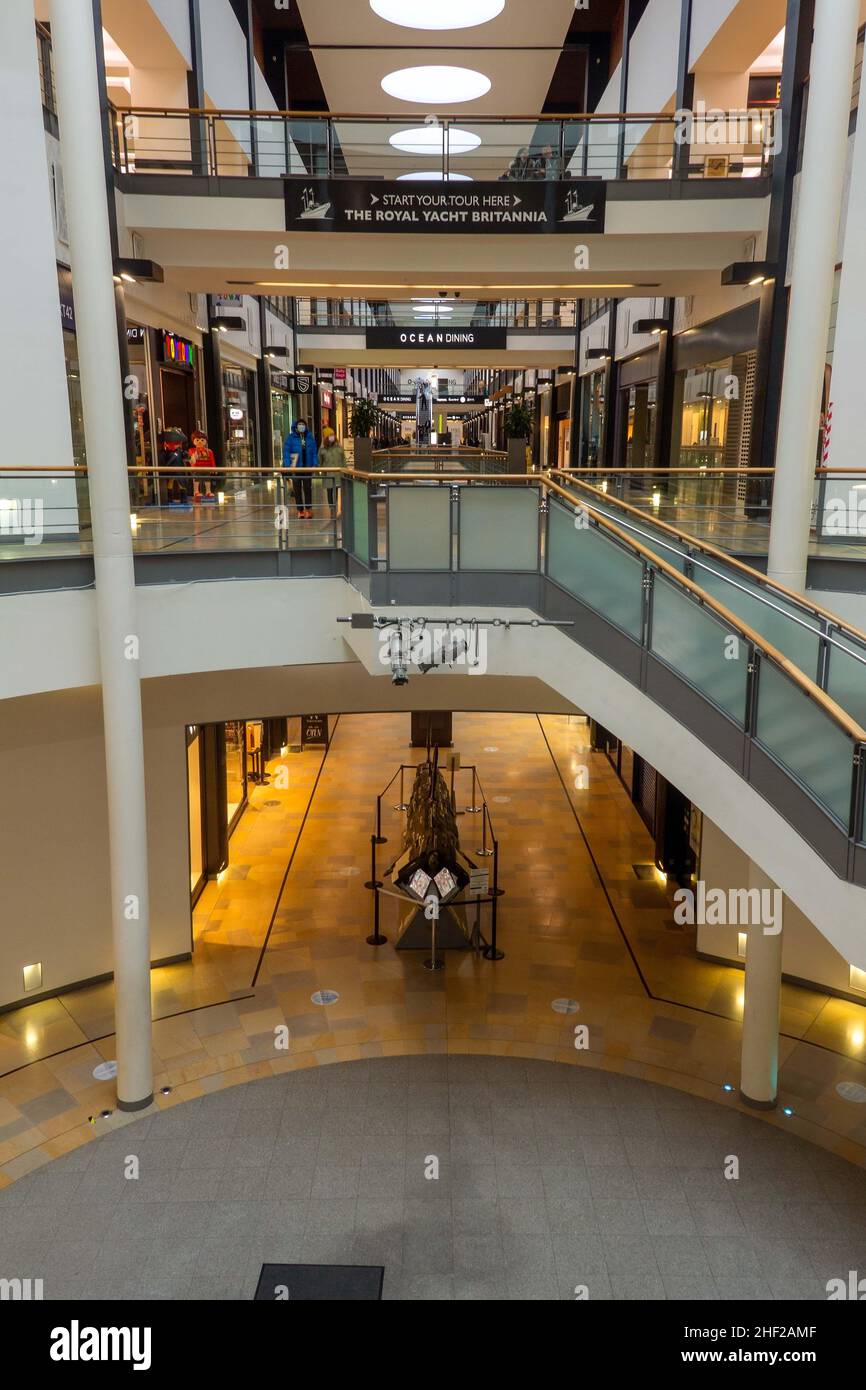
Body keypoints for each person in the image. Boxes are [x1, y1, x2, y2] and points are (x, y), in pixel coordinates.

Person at [283, 418, 318, 518]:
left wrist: (315, 463)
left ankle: (308, 509)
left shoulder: (310, 437)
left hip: (307, 467)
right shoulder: (290, 438)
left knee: (308, 489)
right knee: (297, 489)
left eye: (303, 424)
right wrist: (287, 464)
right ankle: (300, 510)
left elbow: (314, 452)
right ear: (296, 426)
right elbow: (286, 452)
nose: (301, 426)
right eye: (300, 424)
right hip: (295, 468)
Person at [319, 428, 346, 514]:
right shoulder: (322, 448)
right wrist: (319, 471)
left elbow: (343, 459)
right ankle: (331, 507)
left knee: (336, 490)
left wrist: (345, 470)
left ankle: (335, 506)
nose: (332, 437)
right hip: (328, 474)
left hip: (338, 473)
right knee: (329, 491)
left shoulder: (339, 447)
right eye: (330, 435)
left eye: (333, 435)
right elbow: (319, 461)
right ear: (326, 437)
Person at [188, 430, 217, 501]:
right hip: (196, 468)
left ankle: (208, 491)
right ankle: (196, 491)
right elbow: (191, 461)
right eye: (197, 440)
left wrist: (214, 468)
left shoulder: (209, 451)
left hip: (206, 468)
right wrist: (194, 457)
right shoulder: (192, 450)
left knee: (207, 479)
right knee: (196, 479)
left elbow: (212, 460)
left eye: (202, 440)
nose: (200, 442)